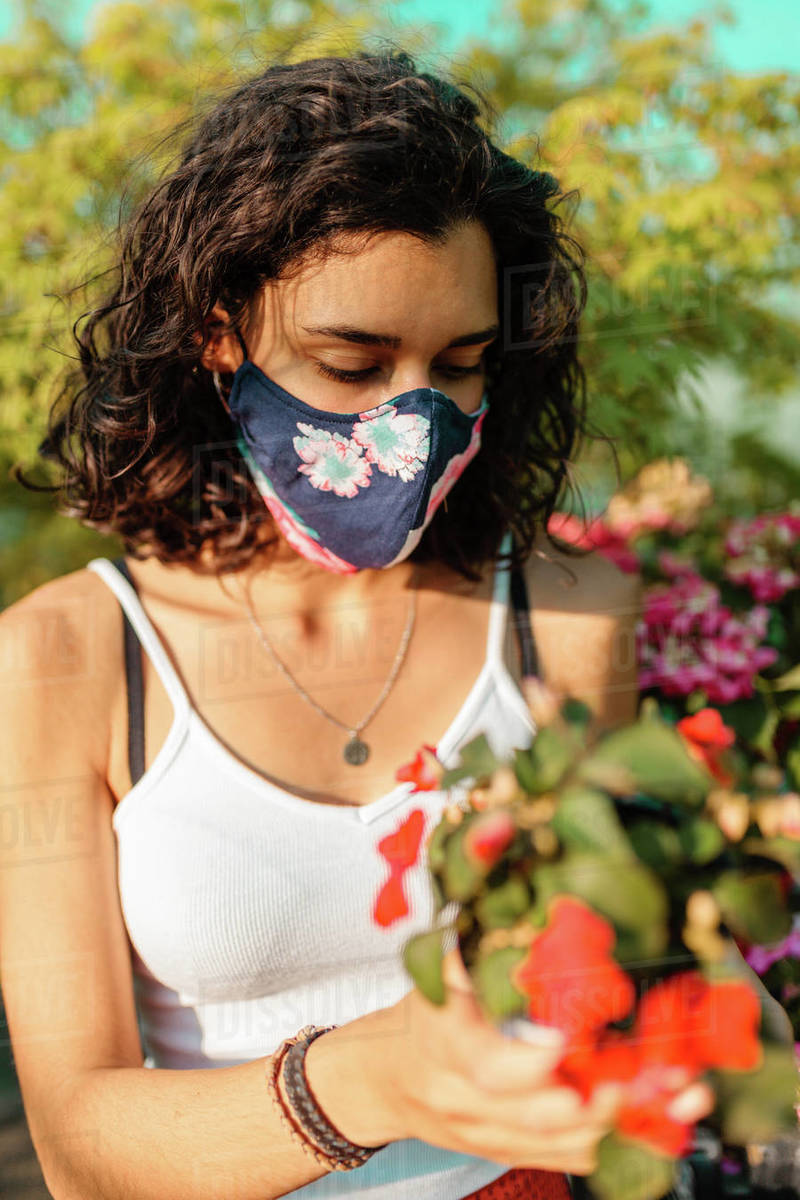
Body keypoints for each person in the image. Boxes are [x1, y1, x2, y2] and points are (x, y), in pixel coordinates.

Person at [0, 47, 712, 1200]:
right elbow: (78, 1142)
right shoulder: (67, 659)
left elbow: (609, 978)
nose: (414, 422)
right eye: (351, 362)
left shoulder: (567, 621)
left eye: (462, 365)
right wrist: (374, 1085)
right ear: (219, 333)